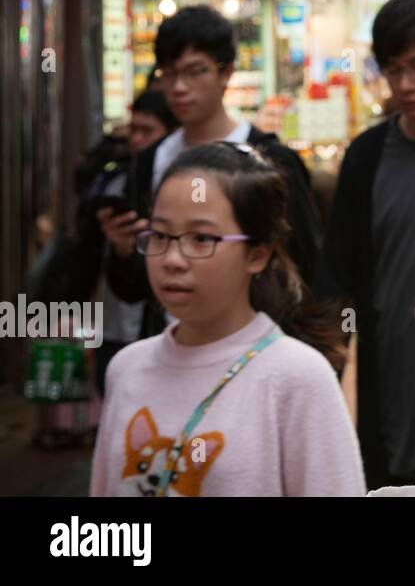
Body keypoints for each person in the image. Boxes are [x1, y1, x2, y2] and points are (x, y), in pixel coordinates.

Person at [90, 143, 364, 496]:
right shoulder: (126, 368)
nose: (172, 259)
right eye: (160, 235)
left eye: (202, 238)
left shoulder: (297, 377)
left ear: (258, 254)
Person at [316, 0, 415, 490]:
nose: (404, 84)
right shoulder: (366, 156)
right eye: (392, 69)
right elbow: (339, 269)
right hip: (389, 369)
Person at [96, 6, 324, 340]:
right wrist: (124, 249)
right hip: (170, 345)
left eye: (195, 72)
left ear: (226, 73)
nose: (179, 88)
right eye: (168, 74)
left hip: (254, 347)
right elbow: (133, 289)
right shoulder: (149, 161)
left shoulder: (271, 159)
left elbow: (306, 267)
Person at [79, 90, 179, 395]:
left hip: (157, 322)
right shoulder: (116, 175)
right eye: (132, 129)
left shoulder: (180, 184)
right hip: (114, 318)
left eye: (147, 130)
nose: (136, 139)